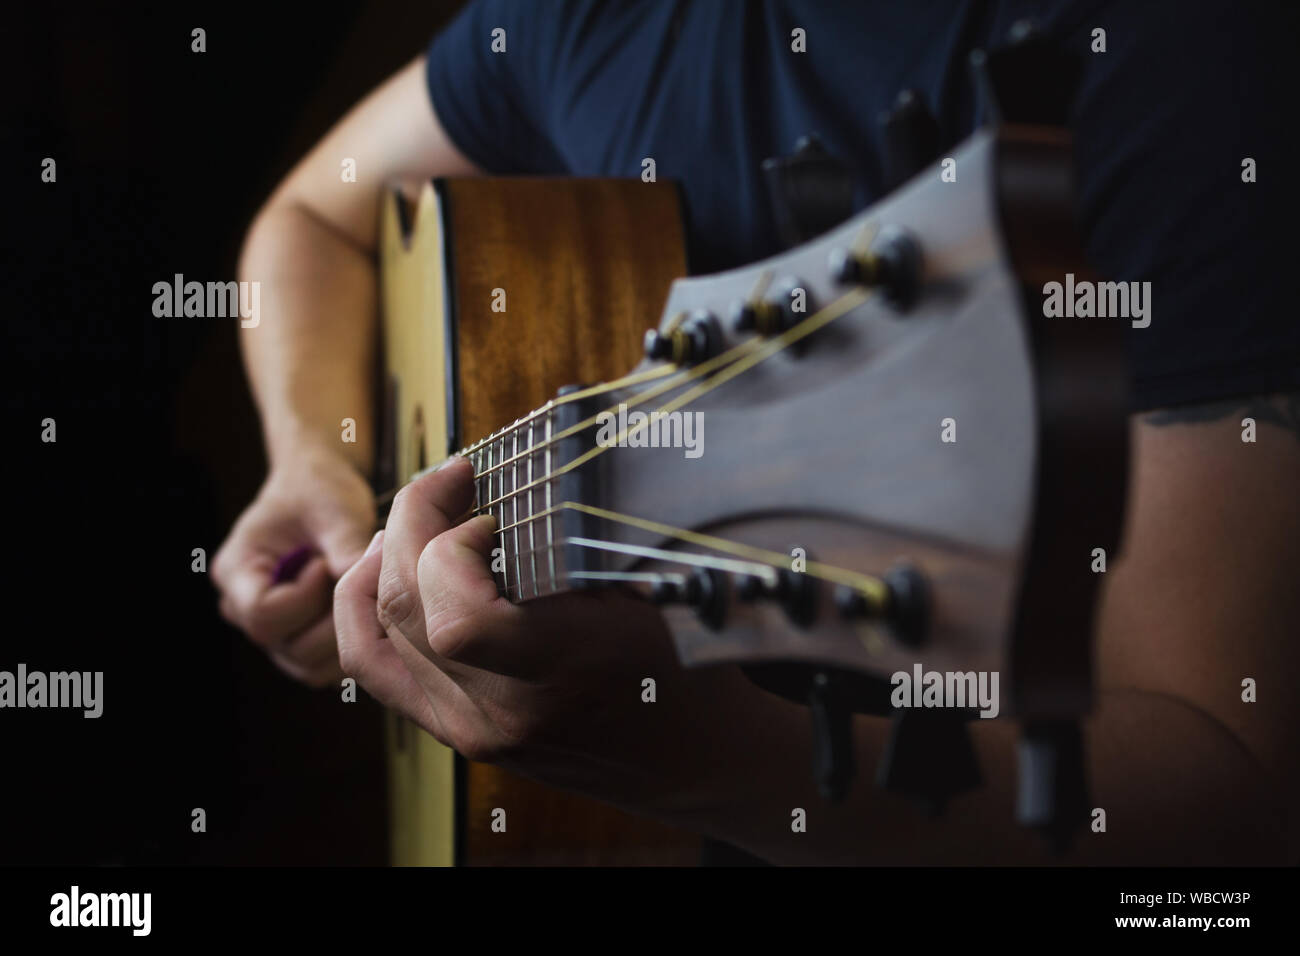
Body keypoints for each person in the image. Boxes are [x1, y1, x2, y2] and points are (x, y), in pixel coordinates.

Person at [213, 0, 1299, 864]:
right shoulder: (578, 19)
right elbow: (311, 217)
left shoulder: (1171, 51)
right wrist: (314, 461)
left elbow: (1236, 803)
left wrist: (705, 755)